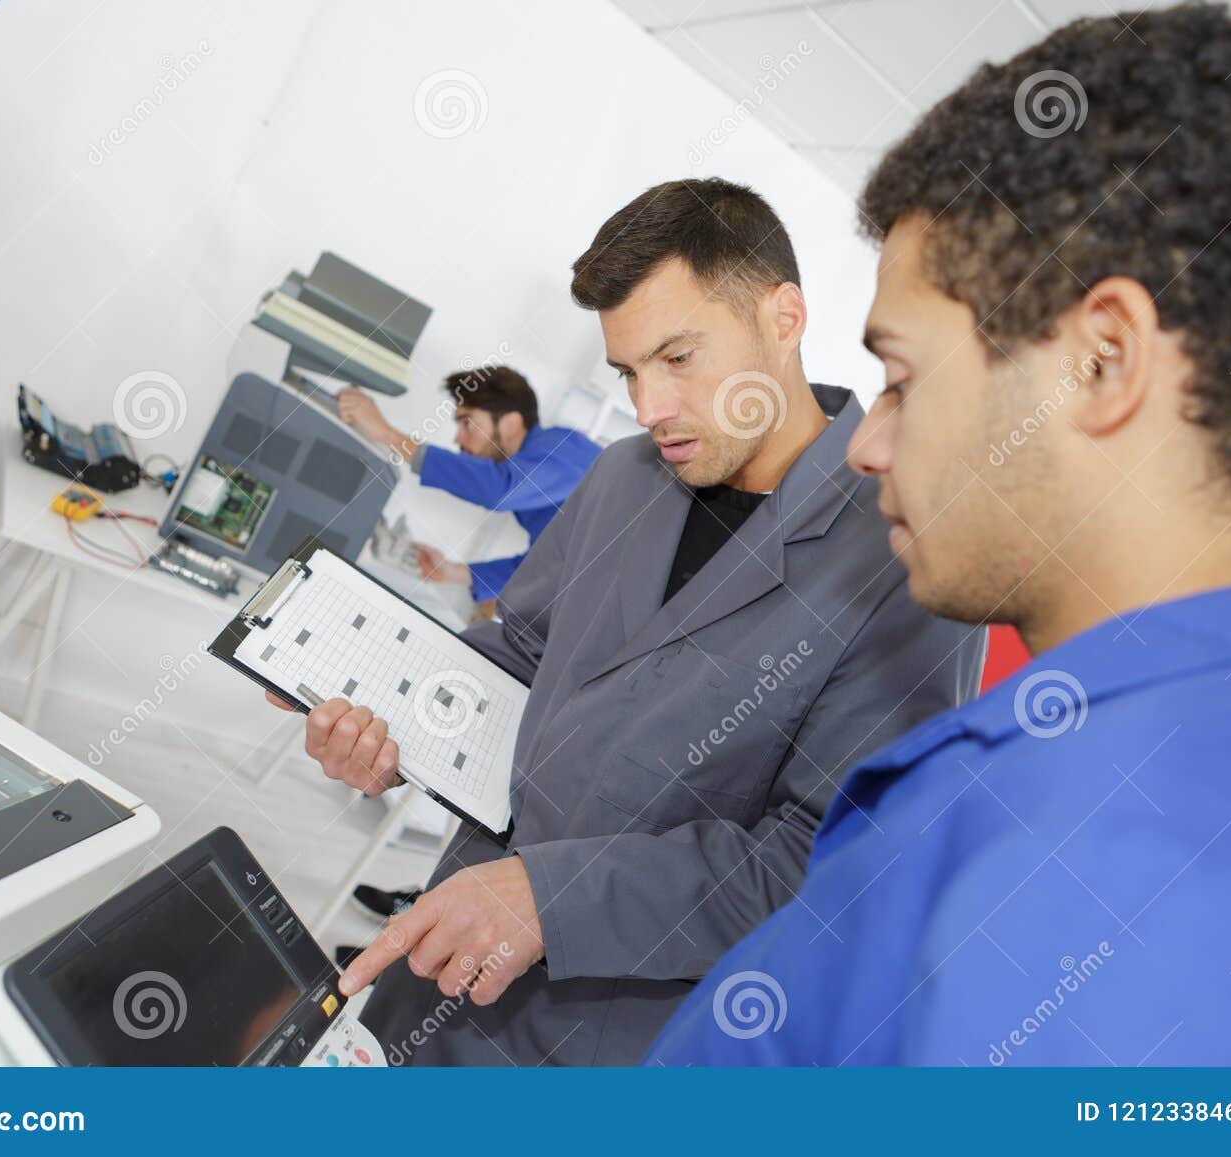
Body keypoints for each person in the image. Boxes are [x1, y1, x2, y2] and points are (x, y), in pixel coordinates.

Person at [645, 4, 1231, 1066]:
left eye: (902, 378)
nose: (870, 445)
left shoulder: (1162, 909)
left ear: (1100, 360)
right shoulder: (1226, 784)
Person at [275, 178, 984, 1065]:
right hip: (442, 962)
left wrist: (554, 898)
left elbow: (834, 862)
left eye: (678, 358)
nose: (650, 407)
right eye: (629, 372)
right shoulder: (621, 477)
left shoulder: (901, 554)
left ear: (784, 317)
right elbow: (525, 651)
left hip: (614, 1045)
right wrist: (387, 709)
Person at [337, 366, 601, 610]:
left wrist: (388, 435)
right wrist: (453, 572)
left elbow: (498, 488)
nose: (458, 439)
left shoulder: (564, 447)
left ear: (510, 423)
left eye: (467, 423)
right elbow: (544, 570)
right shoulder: (538, 494)